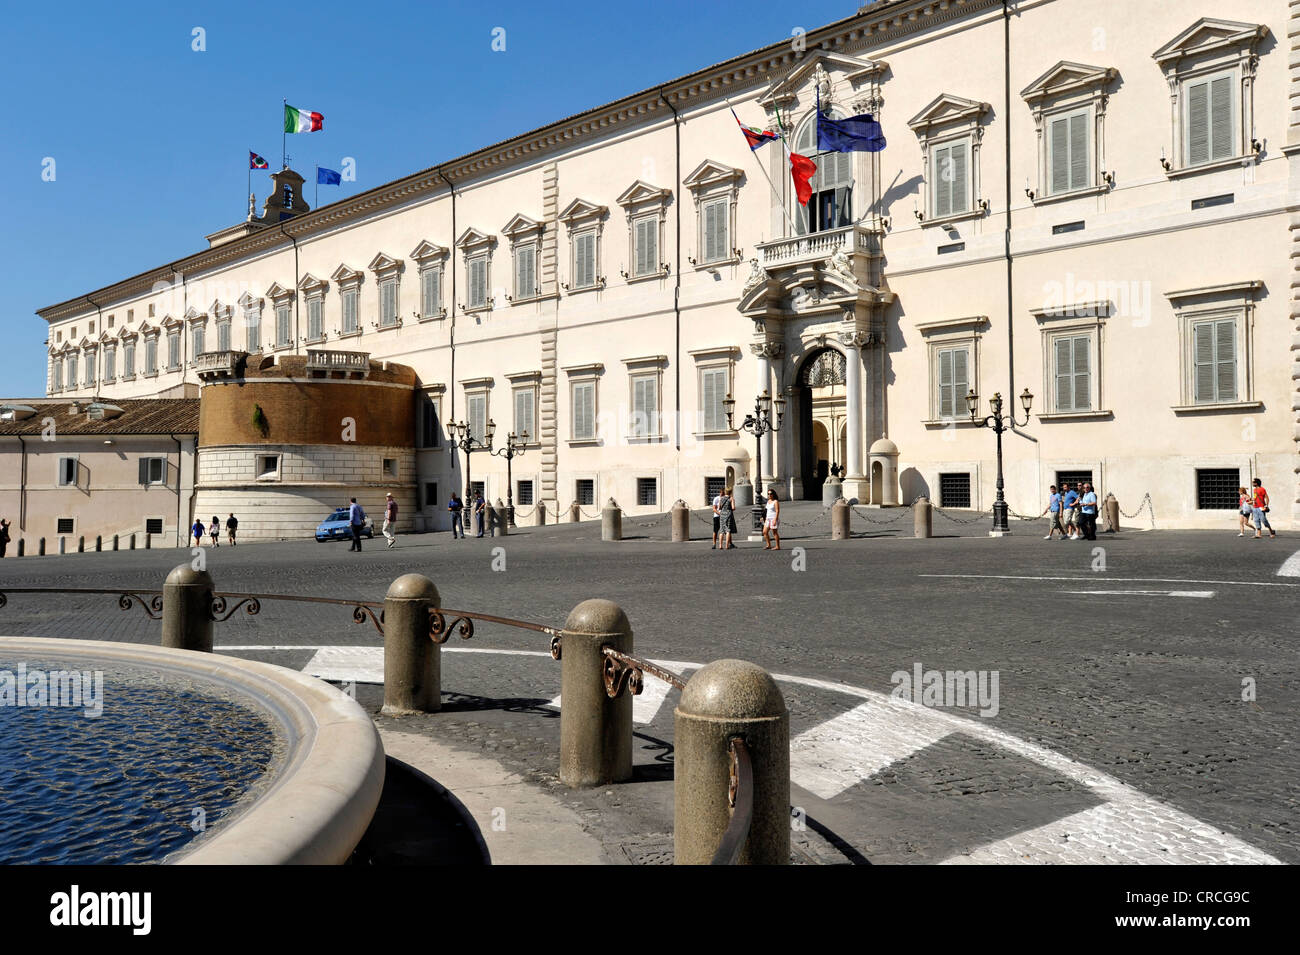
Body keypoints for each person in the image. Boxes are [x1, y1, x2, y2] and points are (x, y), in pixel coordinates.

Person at [716, 486, 736, 552]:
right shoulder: (731, 498)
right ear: (730, 492)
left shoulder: (721, 498)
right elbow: (733, 508)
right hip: (728, 514)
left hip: (722, 515)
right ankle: (727, 545)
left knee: (721, 530)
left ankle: (720, 545)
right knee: (728, 530)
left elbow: (719, 507)